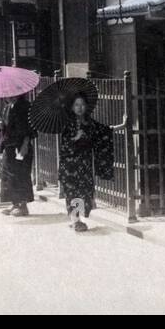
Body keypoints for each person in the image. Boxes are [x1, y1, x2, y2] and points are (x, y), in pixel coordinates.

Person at [57, 93, 112, 233]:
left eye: (82, 104)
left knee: (84, 191)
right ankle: (76, 220)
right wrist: (75, 138)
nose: (80, 108)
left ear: (86, 106)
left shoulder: (90, 123)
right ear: (72, 107)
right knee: (72, 191)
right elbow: (63, 146)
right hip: (70, 164)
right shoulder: (67, 124)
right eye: (76, 105)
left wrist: (122, 124)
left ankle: (76, 218)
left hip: (85, 163)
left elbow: (104, 132)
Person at [0, 96, 35, 216]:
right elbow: (8, 126)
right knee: (8, 174)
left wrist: (25, 145)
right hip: (9, 146)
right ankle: (14, 203)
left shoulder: (25, 106)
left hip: (21, 145)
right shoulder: (8, 107)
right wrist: (1, 125)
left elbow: (30, 128)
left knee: (20, 174)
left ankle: (23, 205)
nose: (8, 96)